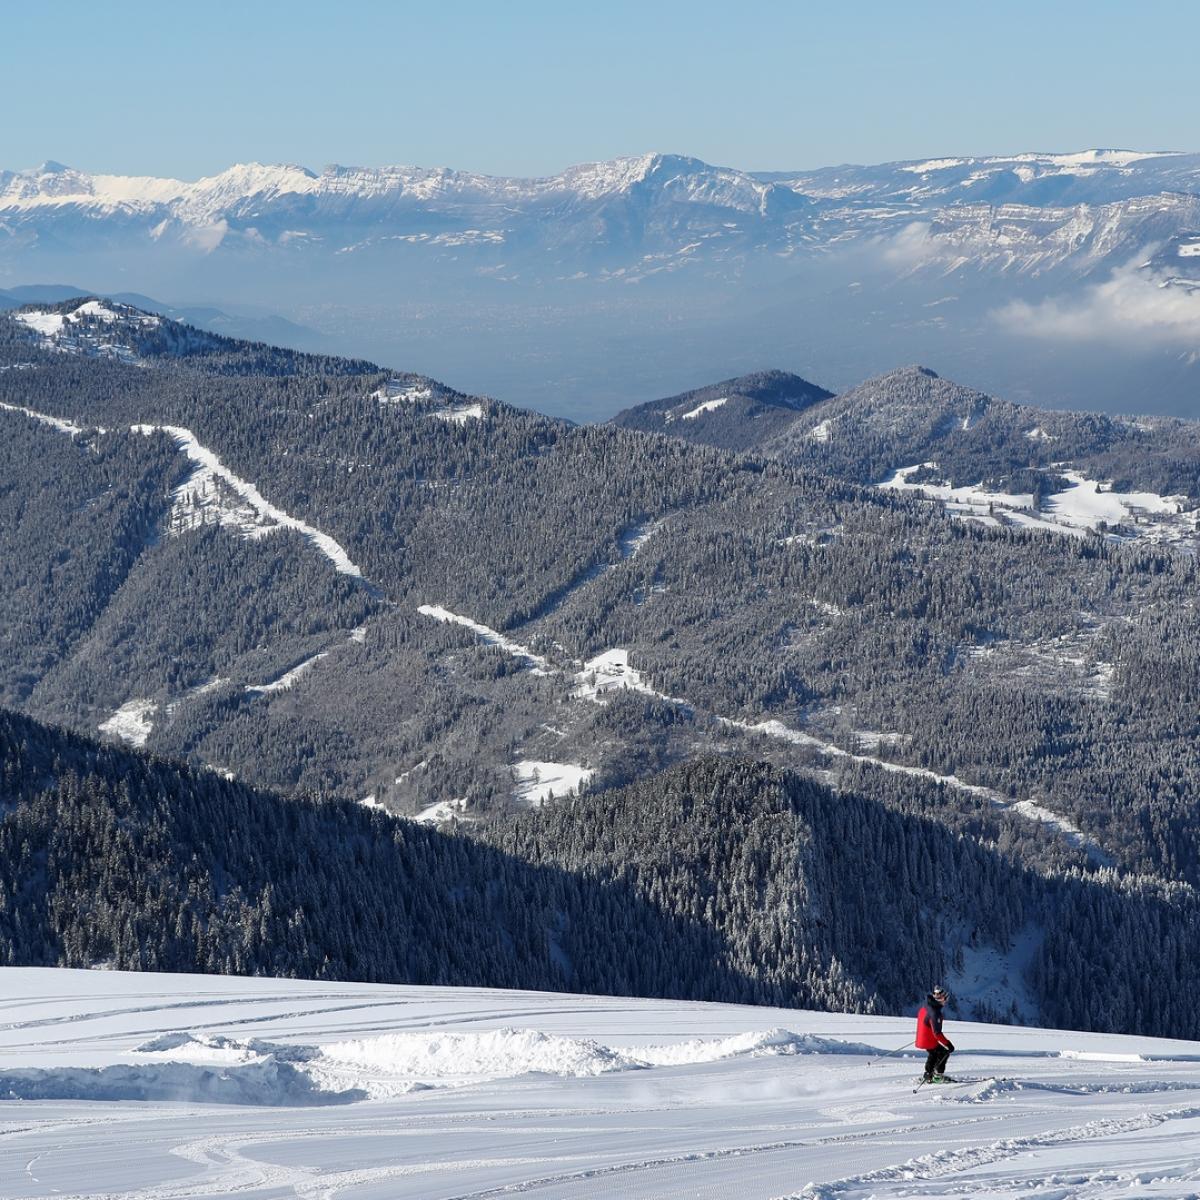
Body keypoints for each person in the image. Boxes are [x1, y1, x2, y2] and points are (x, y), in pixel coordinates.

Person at [915, 985, 955, 1082]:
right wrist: (948, 1044)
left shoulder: (927, 1005)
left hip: (922, 1038)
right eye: (945, 998)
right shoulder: (935, 1013)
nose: (946, 1001)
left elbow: (923, 1020)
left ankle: (928, 1073)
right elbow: (937, 1033)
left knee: (934, 1053)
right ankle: (938, 1076)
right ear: (941, 999)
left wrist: (923, 1034)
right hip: (928, 1039)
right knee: (944, 1052)